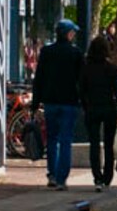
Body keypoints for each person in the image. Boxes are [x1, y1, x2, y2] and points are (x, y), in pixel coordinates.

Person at [32, 18, 84, 190]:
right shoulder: (75, 53)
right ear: (69, 34)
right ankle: (62, 178)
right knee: (66, 140)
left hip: (50, 101)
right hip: (69, 101)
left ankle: (52, 174)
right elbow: (81, 79)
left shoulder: (47, 52)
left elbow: (39, 78)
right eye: (73, 32)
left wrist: (35, 102)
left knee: (52, 139)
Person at [80, 34, 117, 190]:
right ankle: (108, 175)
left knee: (94, 143)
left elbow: (81, 91)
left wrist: (86, 106)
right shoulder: (112, 69)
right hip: (108, 108)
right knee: (108, 143)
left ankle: (97, 176)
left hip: (92, 108)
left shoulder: (86, 69)